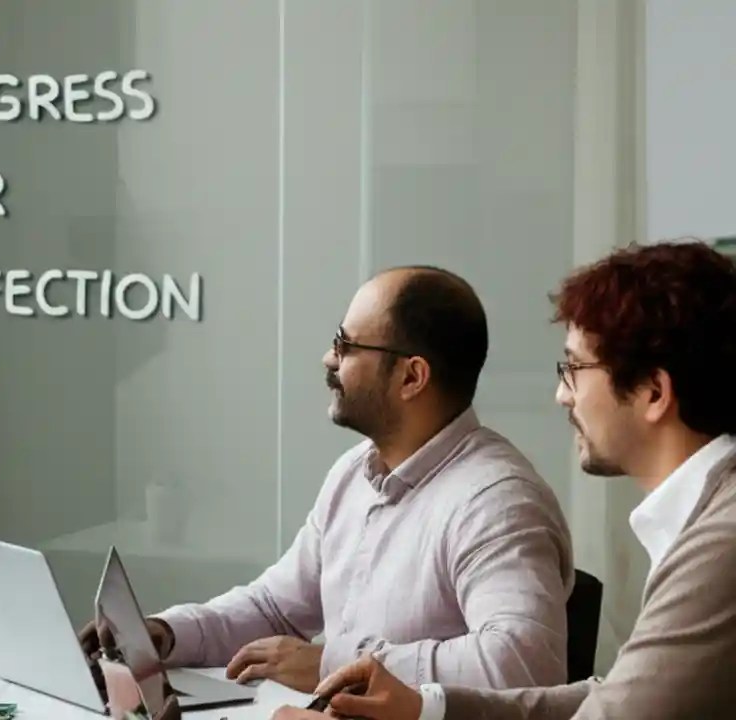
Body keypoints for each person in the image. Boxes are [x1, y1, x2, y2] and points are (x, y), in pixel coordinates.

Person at [284, 240, 736, 719]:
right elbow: (616, 693)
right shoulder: (710, 519)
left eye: (574, 368)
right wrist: (426, 709)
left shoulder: (721, 547)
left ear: (653, 392)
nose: (562, 395)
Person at [83, 266, 575, 693]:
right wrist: (167, 634)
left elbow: (525, 665)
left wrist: (339, 663)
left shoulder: (497, 502)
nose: (328, 358)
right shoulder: (354, 473)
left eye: (345, 344)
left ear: (412, 377)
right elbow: (276, 607)